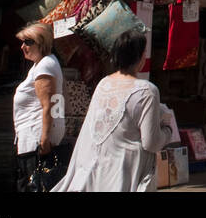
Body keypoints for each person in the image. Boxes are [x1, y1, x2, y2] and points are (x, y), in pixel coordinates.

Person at [53, 30, 170, 191]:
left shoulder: (104, 84)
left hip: (95, 174)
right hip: (124, 176)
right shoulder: (147, 91)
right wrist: (167, 129)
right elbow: (151, 142)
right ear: (141, 57)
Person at [13, 22, 65, 191]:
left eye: (28, 42)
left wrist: (45, 138)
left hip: (36, 140)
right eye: (22, 42)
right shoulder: (42, 65)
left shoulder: (45, 65)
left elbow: (48, 105)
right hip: (33, 138)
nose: (23, 47)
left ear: (41, 43)